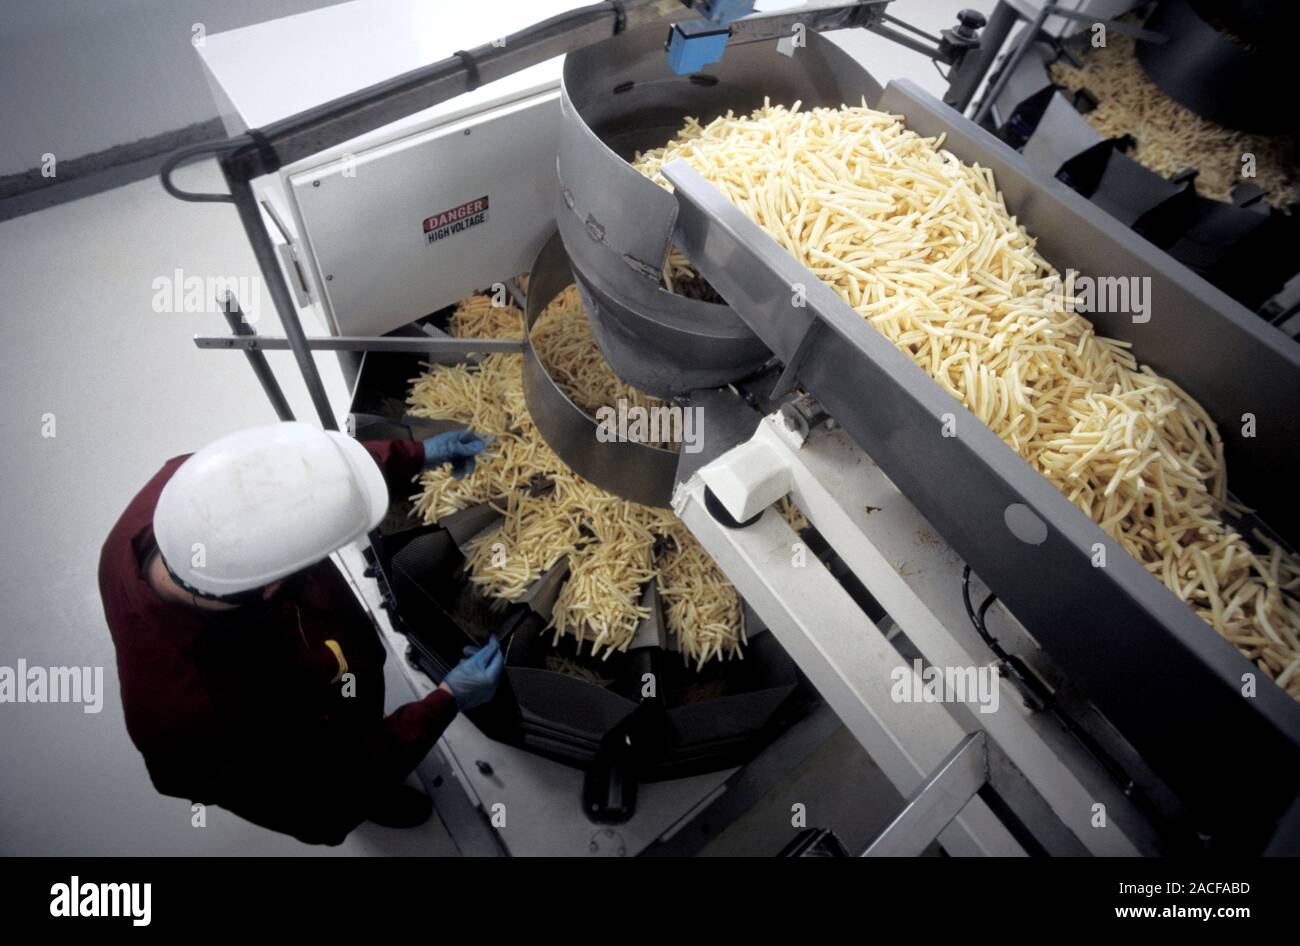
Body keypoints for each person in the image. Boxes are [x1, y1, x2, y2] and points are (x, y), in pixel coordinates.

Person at [98, 421, 502, 845]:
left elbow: (298, 480)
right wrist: (444, 703)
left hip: (331, 660)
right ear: (273, 586)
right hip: (309, 741)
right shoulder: (189, 721)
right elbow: (315, 799)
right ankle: (375, 800)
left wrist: (410, 455)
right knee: (350, 783)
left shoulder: (183, 489)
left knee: (354, 699)